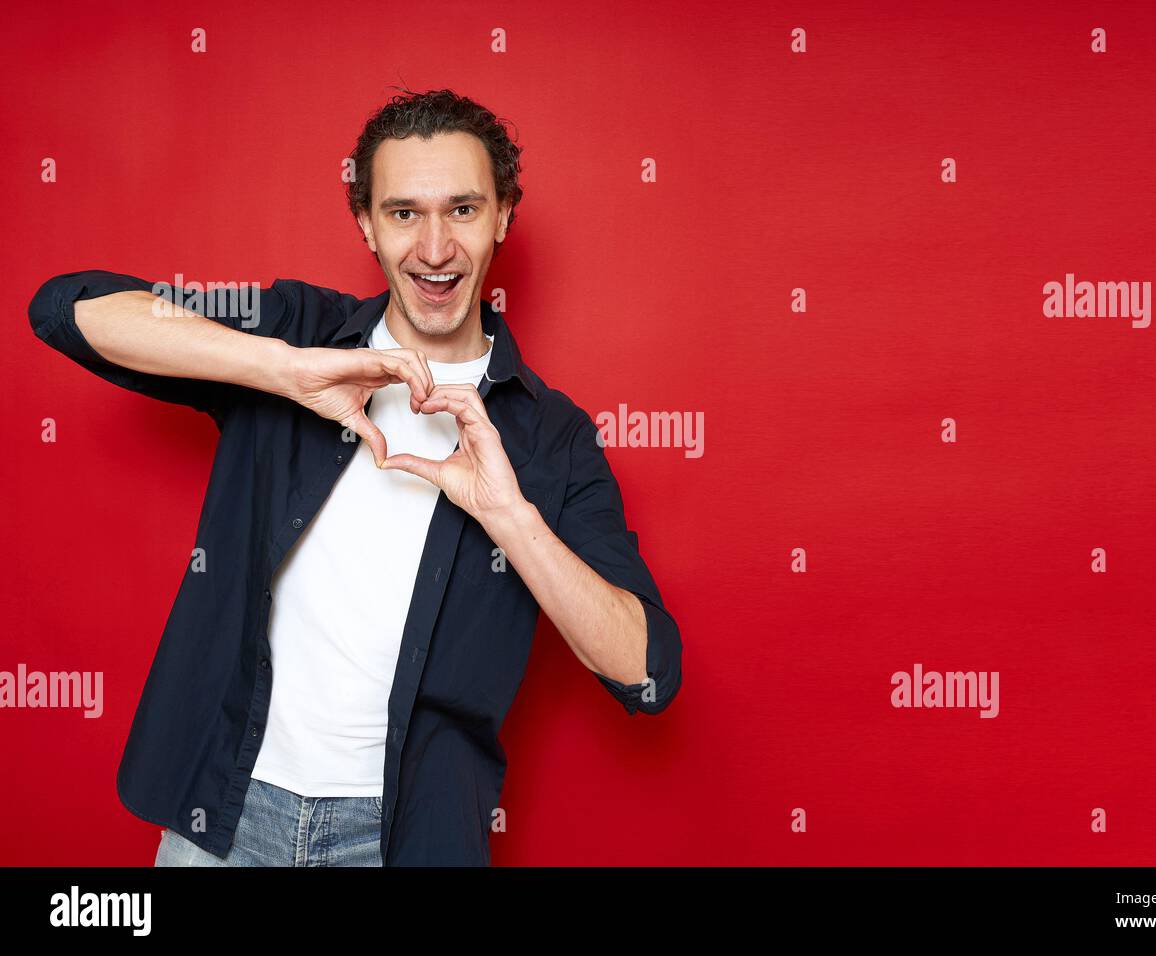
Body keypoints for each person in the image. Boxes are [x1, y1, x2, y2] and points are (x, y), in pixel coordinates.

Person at [27, 87, 682, 867]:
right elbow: (68, 309)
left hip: (406, 838)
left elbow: (647, 671)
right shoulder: (296, 331)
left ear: (504, 216)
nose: (434, 248)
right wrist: (283, 369)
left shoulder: (555, 436)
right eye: (403, 213)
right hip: (226, 818)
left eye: (463, 210)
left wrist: (512, 517)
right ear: (365, 223)